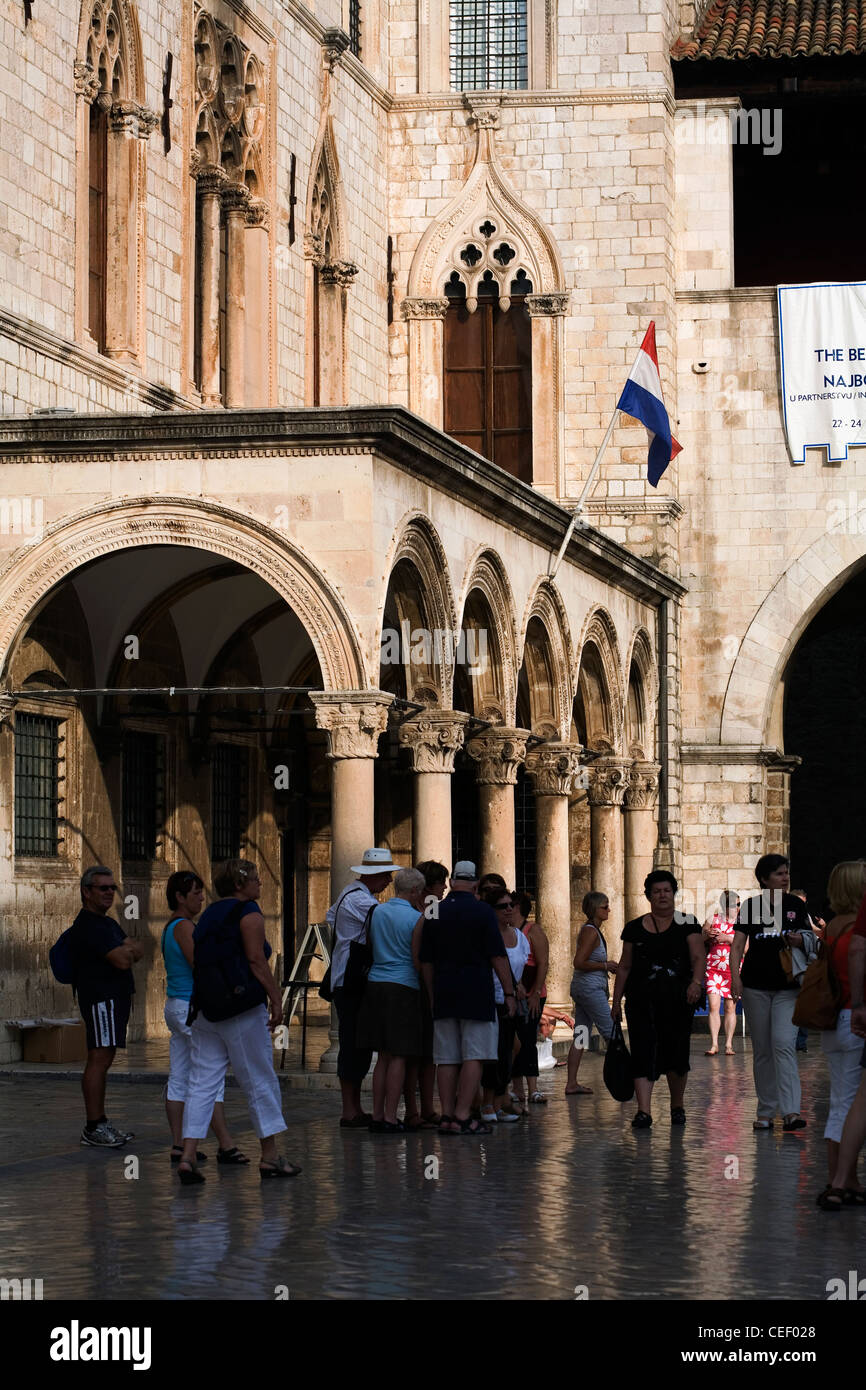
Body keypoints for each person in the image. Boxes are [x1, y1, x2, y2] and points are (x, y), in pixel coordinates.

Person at [176, 859, 300, 1184]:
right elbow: (257, 960)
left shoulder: (207, 917)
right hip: (242, 1008)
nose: (260, 884)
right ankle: (270, 1156)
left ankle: (188, 1154)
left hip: (206, 1009)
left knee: (202, 1081)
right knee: (258, 1078)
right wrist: (276, 999)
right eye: (256, 879)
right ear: (241, 883)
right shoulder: (249, 912)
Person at [418, 861, 516, 1134]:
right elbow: (498, 956)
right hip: (476, 992)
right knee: (475, 1054)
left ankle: (448, 1115)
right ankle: (463, 1115)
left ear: (451, 884)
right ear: (474, 884)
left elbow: (425, 960)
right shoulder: (483, 911)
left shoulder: (435, 910)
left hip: (444, 992)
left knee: (447, 1057)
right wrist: (509, 993)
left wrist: (431, 993)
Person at [161, 870, 247, 1165]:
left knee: (180, 1076)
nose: (201, 898)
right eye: (195, 893)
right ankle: (225, 1144)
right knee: (209, 1078)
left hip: (176, 1005)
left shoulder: (171, 925)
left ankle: (178, 1145)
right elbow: (199, 962)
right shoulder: (184, 926)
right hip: (188, 1006)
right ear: (179, 897)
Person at [611, 870, 705, 1129]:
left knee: (676, 1053)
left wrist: (696, 983)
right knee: (642, 1051)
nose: (662, 895)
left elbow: (698, 957)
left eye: (666, 890)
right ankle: (644, 1111)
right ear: (648, 896)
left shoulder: (688, 923)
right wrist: (616, 1001)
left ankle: (677, 1105)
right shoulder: (633, 928)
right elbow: (625, 966)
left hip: (678, 999)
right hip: (641, 1001)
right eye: (657, 891)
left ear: (673, 893)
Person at [730, 853, 816, 1132]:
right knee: (763, 1050)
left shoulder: (795, 905)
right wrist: (735, 978)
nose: (785, 877)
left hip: (788, 986)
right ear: (765, 878)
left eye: (786, 872)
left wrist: (798, 938)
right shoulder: (752, 907)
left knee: (783, 1045)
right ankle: (766, 1111)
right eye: (779, 873)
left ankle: (791, 1111)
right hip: (755, 985)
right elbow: (737, 944)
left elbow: (810, 940)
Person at [71, 866, 143, 1148]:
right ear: (86, 892)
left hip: (113, 1000)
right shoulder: (89, 926)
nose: (110, 893)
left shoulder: (108, 923)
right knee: (99, 1059)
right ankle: (94, 1126)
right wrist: (126, 952)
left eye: (112, 888)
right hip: (101, 1000)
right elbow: (125, 958)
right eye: (103, 888)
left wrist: (127, 951)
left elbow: (137, 948)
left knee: (105, 1058)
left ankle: (100, 1122)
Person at [326, 847, 398, 1128]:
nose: (389, 880)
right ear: (374, 875)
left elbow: (332, 918)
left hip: (348, 977)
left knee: (358, 1043)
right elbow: (383, 923)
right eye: (386, 875)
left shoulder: (351, 894)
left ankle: (354, 1107)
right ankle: (349, 1109)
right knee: (353, 1044)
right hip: (351, 979)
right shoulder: (360, 900)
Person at [357, 867, 427, 1132]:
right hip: (403, 985)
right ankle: (389, 1115)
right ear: (414, 891)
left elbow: (373, 946)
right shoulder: (416, 918)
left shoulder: (377, 911)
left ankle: (376, 1114)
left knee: (383, 1056)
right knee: (398, 1055)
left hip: (376, 983)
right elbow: (417, 957)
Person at [815, 861, 866, 1208]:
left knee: (842, 1101)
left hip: (835, 1021)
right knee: (847, 1104)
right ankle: (839, 1179)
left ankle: (846, 1176)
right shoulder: (853, 931)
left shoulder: (832, 927)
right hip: (854, 1018)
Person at [402, 860, 449, 1129]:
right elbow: (423, 953)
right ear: (428, 886)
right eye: (441, 882)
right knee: (415, 1053)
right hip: (417, 985)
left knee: (430, 1052)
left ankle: (428, 1108)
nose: (444, 887)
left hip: (426, 984)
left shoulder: (430, 910)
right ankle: (412, 1110)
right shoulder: (420, 911)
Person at [480, 889, 530, 1124]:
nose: (509, 909)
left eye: (511, 905)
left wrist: (519, 986)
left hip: (510, 1003)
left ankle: (498, 1103)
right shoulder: (486, 935)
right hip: (490, 1000)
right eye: (502, 906)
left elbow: (519, 969)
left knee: (507, 1052)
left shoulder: (520, 937)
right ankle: (487, 1104)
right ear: (491, 911)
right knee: (493, 1054)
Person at [566, 891, 617, 1095]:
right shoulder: (590, 931)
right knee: (611, 1033)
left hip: (584, 989)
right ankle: (622, 1078)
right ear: (595, 909)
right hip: (589, 990)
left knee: (581, 1035)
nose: (608, 910)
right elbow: (579, 962)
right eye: (605, 906)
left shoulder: (594, 930)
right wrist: (606, 965)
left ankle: (571, 1083)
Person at [510, 891, 550, 1107]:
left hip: (531, 994)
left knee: (527, 1040)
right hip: (512, 994)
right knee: (512, 1041)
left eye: (511, 905)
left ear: (518, 907)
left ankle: (533, 1088)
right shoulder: (506, 930)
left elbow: (543, 962)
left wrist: (534, 993)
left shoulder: (532, 930)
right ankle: (517, 1088)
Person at [703, 890, 740, 1056]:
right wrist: (707, 934)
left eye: (739, 904)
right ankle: (714, 1043)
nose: (738, 908)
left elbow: (746, 947)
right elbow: (700, 937)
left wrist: (728, 938)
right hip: (714, 968)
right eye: (735, 904)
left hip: (733, 969)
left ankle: (729, 1044)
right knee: (713, 1006)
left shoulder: (742, 922)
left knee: (730, 1008)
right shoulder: (713, 919)